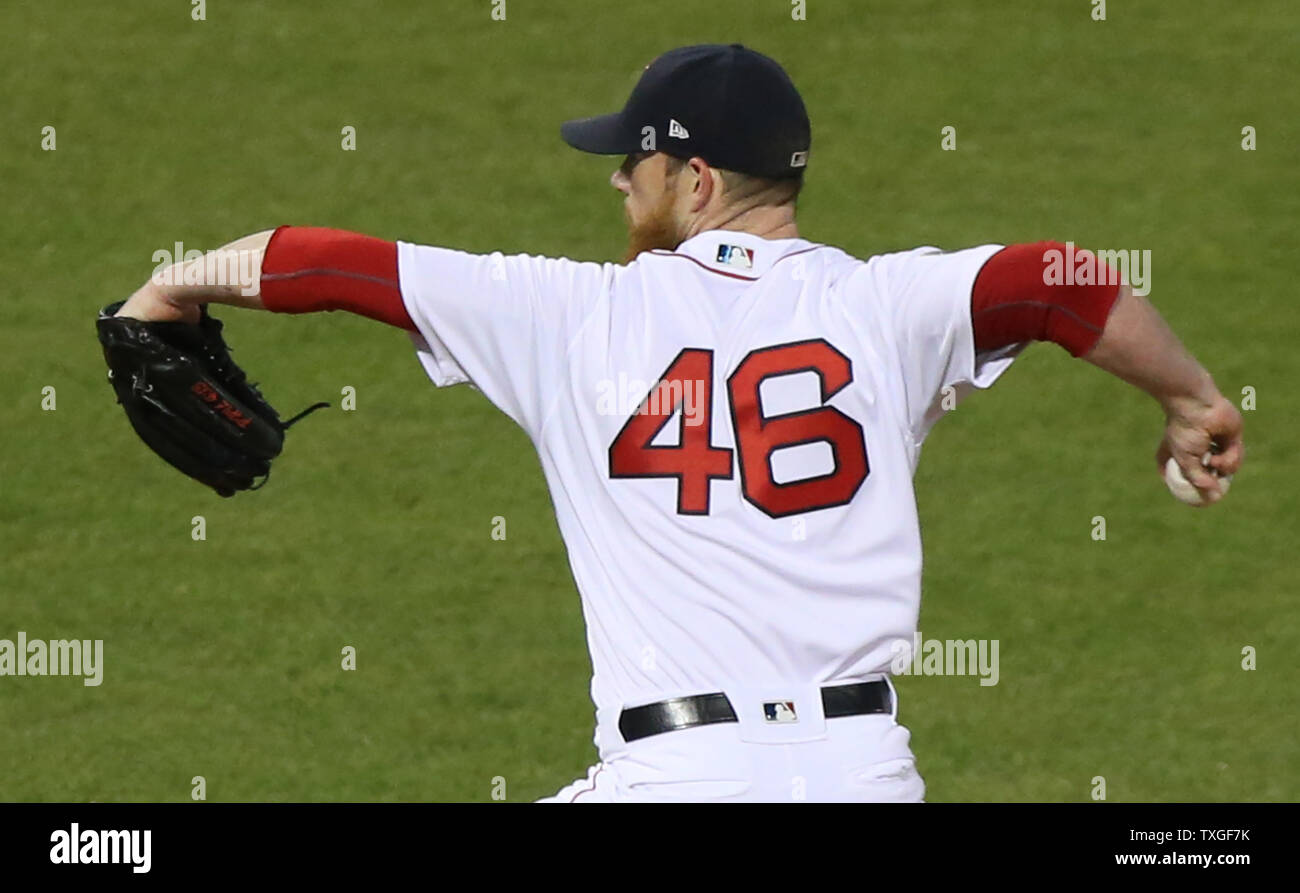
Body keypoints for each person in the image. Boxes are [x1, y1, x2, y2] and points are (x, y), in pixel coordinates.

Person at [114, 44, 1244, 802]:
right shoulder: (887, 306)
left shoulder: (565, 312)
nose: (616, 184)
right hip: (865, 772)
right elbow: (1058, 278)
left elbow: (318, 262)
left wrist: (166, 290)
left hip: (678, 776)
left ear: (696, 181)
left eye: (633, 162)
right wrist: (1190, 400)